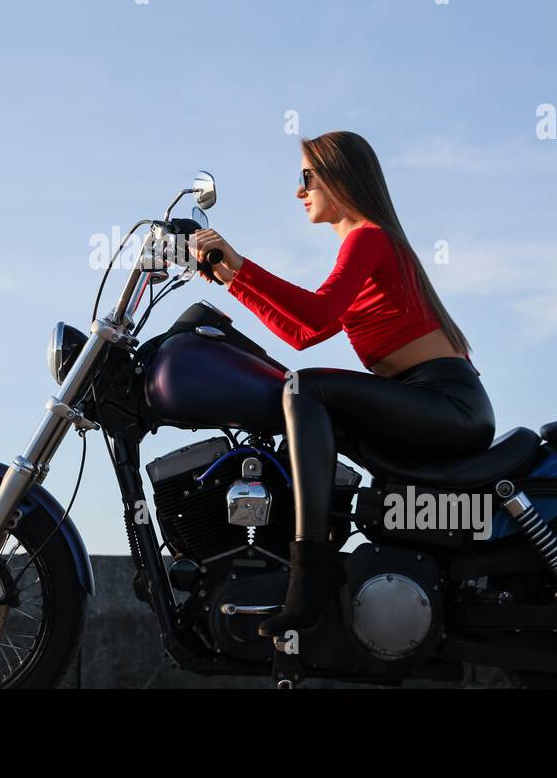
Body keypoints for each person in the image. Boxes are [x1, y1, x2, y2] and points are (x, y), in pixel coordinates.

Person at [188, 131, 495, 639]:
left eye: (306, 177)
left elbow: (317, 312)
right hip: (431, 399)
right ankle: (317, 542)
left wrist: (241, 265)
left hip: (444, 401)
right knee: (305, 397)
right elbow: (305, 332)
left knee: (306, 390)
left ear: (339, 177)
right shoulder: (367, 243)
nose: (298, 191)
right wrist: (232, 279)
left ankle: (313, 563)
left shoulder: (369, 237)